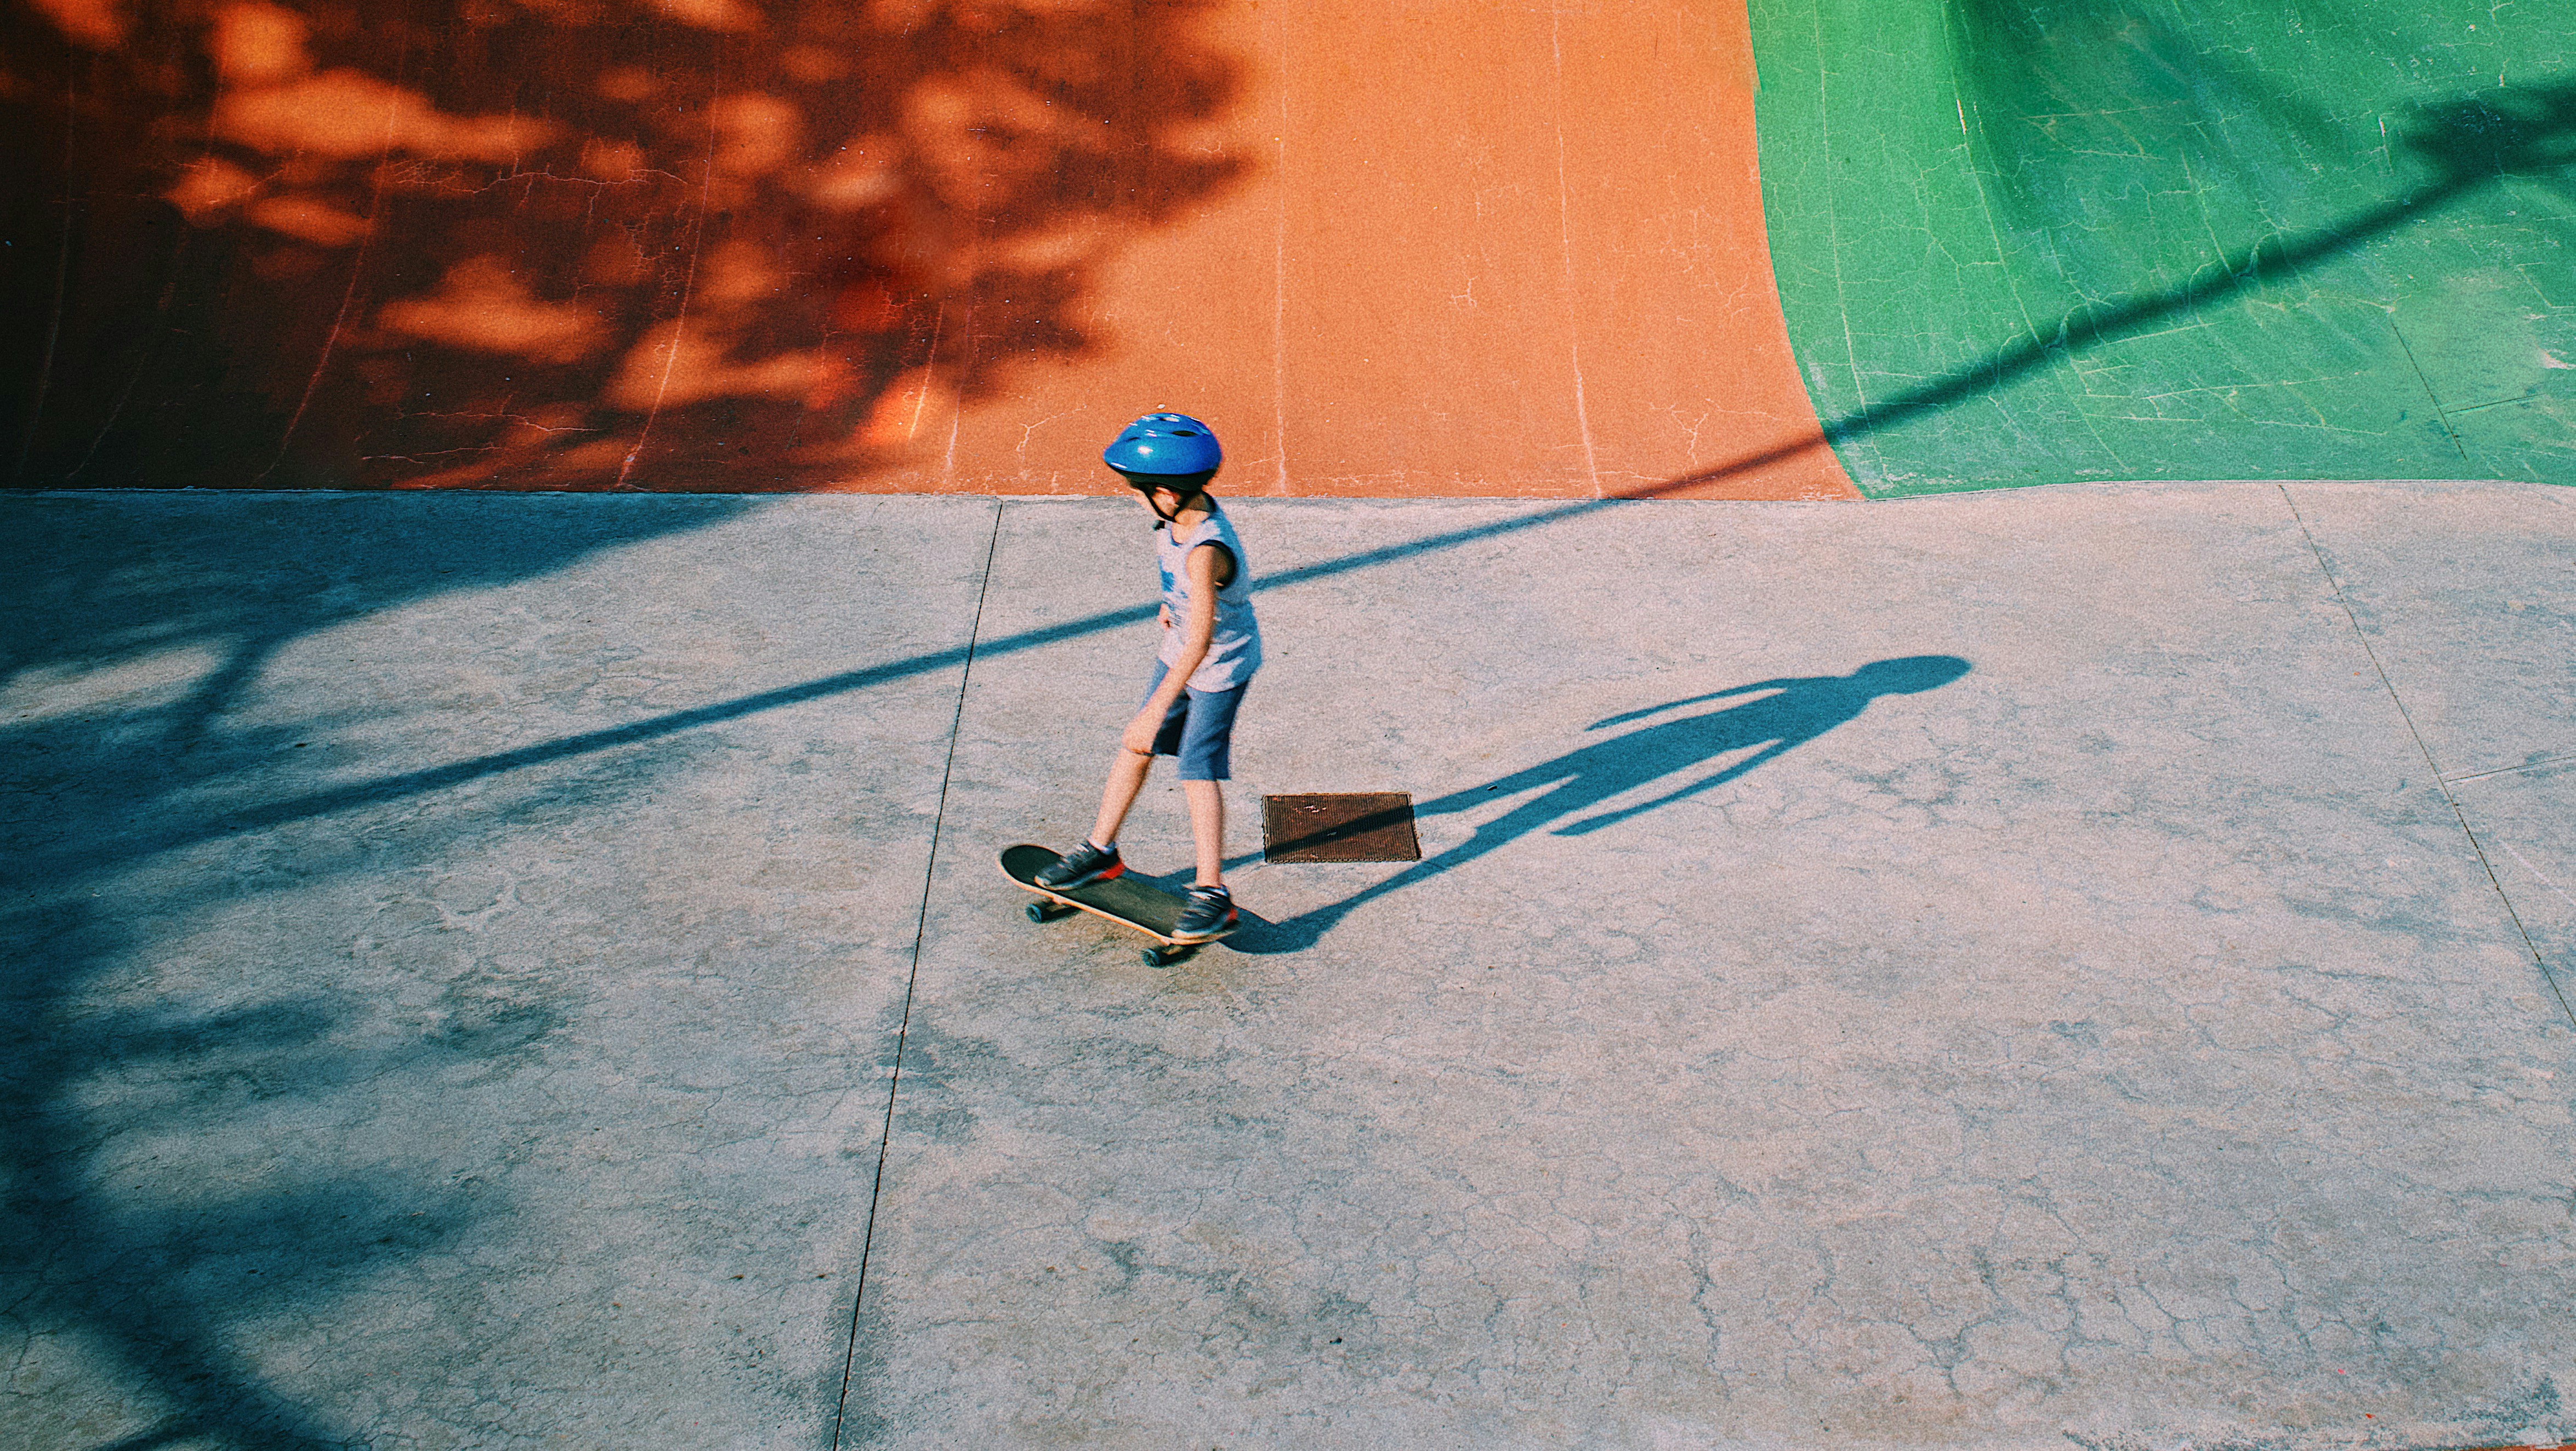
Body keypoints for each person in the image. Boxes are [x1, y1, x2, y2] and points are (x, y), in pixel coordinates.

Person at [1034, 413, 1261, 944]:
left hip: (1218, 666)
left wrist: (1156, 709)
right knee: (1133, 748)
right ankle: (1100, 851)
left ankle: (1211, 894)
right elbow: (1183, 601)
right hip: (1181, 646)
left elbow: (1203, 641)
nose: (1132, 498)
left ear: (1165, 492)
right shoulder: (1173, 521)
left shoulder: (1206, 550)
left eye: (1137, 491)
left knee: (1195, 768)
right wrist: (1170, 604)